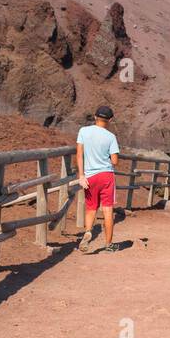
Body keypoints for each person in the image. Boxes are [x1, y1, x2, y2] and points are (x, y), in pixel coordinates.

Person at [75, 104, 121, 253]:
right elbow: (114, 161)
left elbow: (79, 154)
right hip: (106, 176)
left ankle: (88, 232)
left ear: (95, 117)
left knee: (91, 208)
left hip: (90, 176)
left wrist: (81, 175)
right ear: (110, 120)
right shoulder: (111, 137)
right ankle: (108, 245)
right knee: (107, 210)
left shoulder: (83, 131)